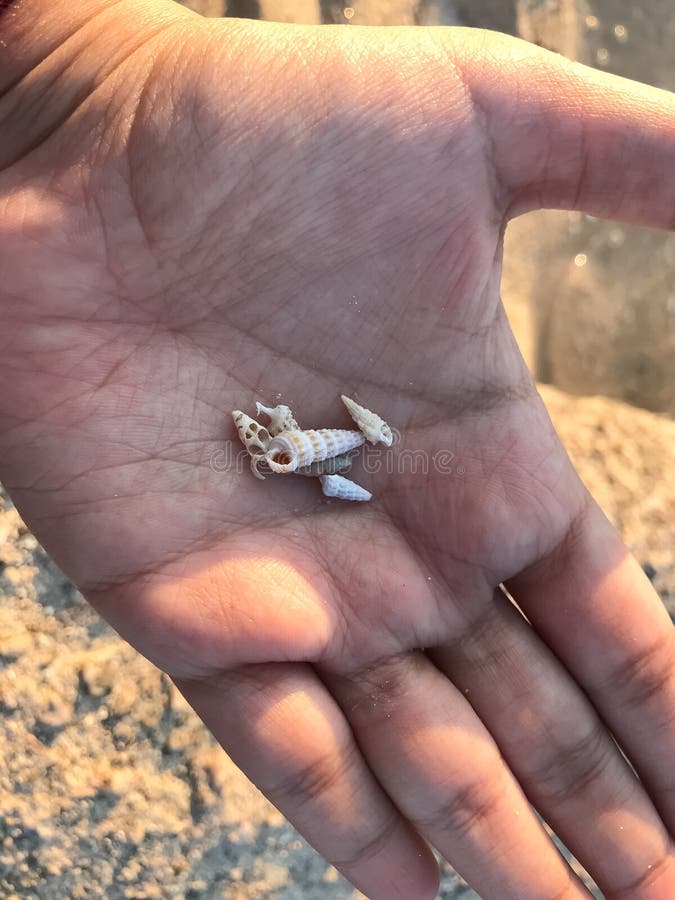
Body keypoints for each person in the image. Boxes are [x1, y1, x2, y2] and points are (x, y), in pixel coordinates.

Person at [1, 2, 674, 897]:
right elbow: (281, 442)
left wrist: (56, 65)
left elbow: (310, 449)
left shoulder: (327, 451)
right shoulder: (299, 450)